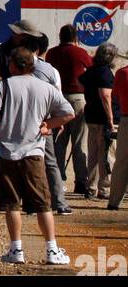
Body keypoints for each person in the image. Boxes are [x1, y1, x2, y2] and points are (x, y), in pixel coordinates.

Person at [0, 46, 74, 266]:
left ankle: (16, 249)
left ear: (13, 64)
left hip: (6, 152)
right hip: (34, 151)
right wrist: (48, 125)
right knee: (43, 203)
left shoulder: (3, 85)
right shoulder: (46, 88)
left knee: (11, 204)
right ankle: (51, 249)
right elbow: (69, 112)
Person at [23, 32, 71, 215]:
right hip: (44, 120)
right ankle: (59, 202)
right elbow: (57, 96)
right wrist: (56, 121)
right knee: (50, 162)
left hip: (22, 120)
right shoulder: (50, 70)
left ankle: (30, 204)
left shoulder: (15, 65)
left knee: (24, 160)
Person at [47, 24, 91, 194]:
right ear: (75, 38)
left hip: (57, 98)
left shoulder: (52, 53)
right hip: (77, 98)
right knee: (79, 142)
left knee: (59, 141)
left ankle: (56, 178)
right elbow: (90, 69)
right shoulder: (81, 53)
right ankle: (81, 181)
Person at [80, 43, 117, 200]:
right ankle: (104, 188)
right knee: (106, 154)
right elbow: (105, 95)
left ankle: (92, 187)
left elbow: (80, 81)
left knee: (93, 153)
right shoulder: (106, 73)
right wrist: (110, 119)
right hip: (103, 118)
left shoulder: (91, 71)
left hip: (91, 116)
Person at [106, 59, 128, 210]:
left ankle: (114, 201)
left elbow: (116, 95)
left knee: (121, 163)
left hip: (126, 119)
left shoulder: (122, 73)